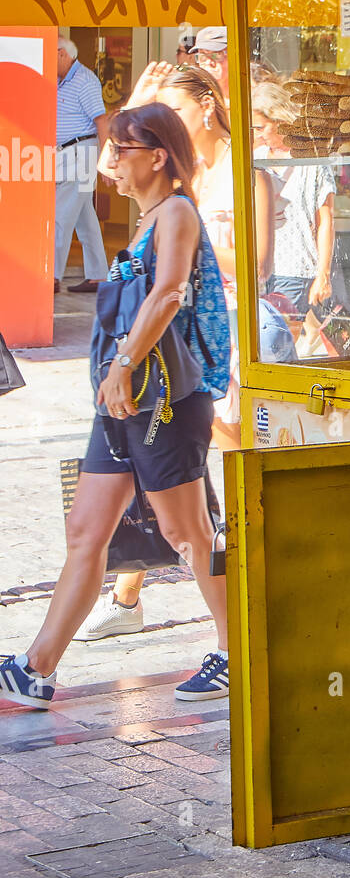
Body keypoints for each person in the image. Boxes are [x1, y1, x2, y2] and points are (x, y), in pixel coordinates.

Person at [0, 103, 232, 708]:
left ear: (158, 156)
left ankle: (237, 651)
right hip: (123, 403)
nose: (110, 163)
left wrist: (123, 365)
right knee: (87, 529)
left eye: (121, 150)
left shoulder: (176, 212)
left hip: (165, 403)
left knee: (188, 531)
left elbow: (169, 293)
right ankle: (36, 669)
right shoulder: (148, 219)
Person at [79, 63, 293, 641]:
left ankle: (251, 587)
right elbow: (112, 165)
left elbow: (256, 266)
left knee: (218, 465)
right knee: (171, 481)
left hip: (221, 337)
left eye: (171, 107)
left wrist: (181, 247)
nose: (165, 116)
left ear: (206, 107)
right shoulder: (163, 186)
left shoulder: (237, 178)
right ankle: (129, 594)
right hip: (164, 347)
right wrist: (138, 98)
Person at [253, 82, 339, 338]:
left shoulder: (311, 159)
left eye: (261, 127)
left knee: (276, 342)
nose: (257, 134)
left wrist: (323, 274)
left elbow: (326, 220)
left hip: (295, 268)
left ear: (280, 120)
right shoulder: (255, 157)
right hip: (259, 269)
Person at [55, 37, 110, 295]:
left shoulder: (84, 80)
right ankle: (98, 275)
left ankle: (51, 277)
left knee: (61, 216)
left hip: (81, 153)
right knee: (85, 218)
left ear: (62, 54)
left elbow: (101, 121)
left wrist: (106, 159)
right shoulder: (60, 80)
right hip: (69, 154)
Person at [188, 27, 230, 101]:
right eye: (202, 56)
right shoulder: (195, 96)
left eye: (216, 54)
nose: (208, 62)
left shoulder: (249, 95)